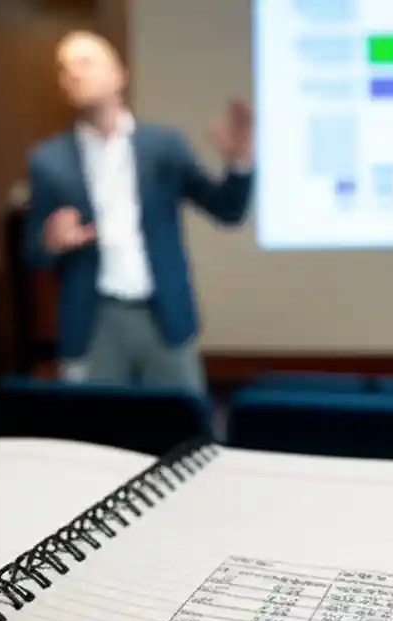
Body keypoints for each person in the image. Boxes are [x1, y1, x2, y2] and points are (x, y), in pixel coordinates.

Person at [26, 30, 253, 392]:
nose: (73, 73)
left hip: (163, 315)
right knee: (94, 441)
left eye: (85, 62)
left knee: (182, 432)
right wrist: (51, 243)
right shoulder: (48, 161)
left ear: (118, 74)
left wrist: (239, 163)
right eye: (64, 68)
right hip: (92, 320)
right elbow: (33, 253)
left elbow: (227, 211)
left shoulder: (163, 147)